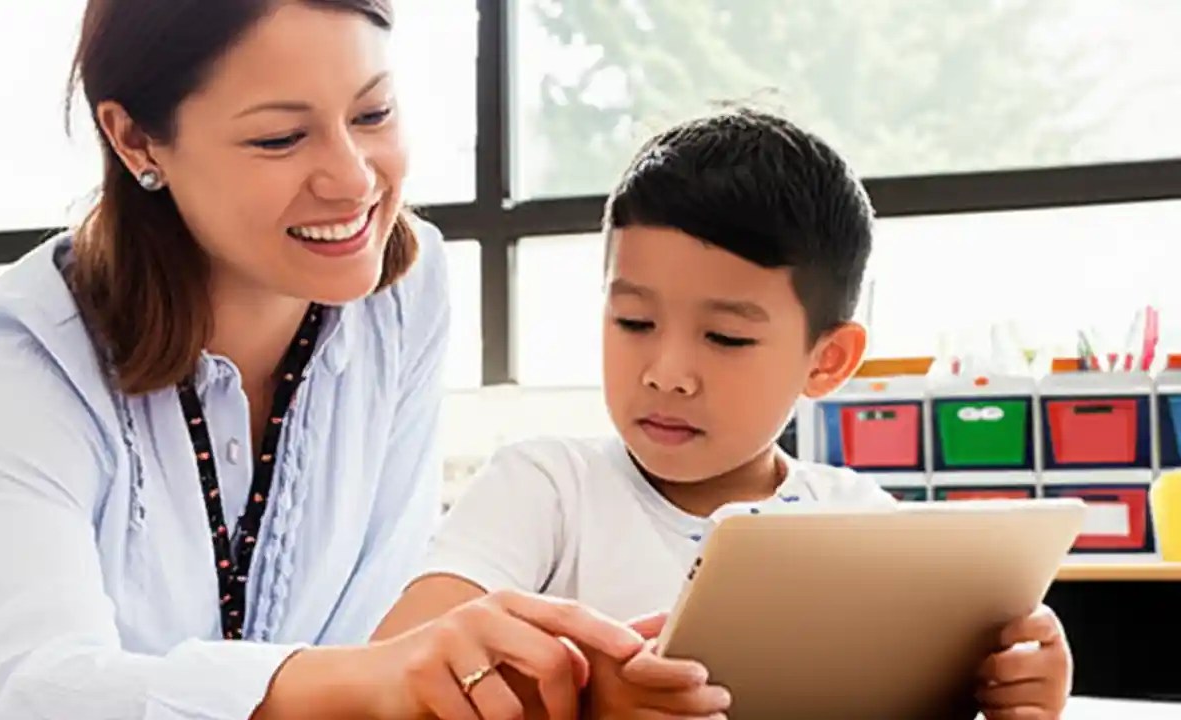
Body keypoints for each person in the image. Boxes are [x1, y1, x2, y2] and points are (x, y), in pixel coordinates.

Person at [0, 2, 709, 719]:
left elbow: (384, 630)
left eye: (373, 113)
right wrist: (375, 679)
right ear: (135, 139)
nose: (354, 179)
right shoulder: (16, 356)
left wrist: (563, 690)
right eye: (280, 138)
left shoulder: (407, 292)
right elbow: (35, 688)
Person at [375, 107, 1074, 719]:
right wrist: (588, 703)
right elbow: (396, 668)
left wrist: (1008, 686)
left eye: (726, 338)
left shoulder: (859, 520)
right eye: (633, 321)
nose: (667, 373)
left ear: (825, 361)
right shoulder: (545, 486)